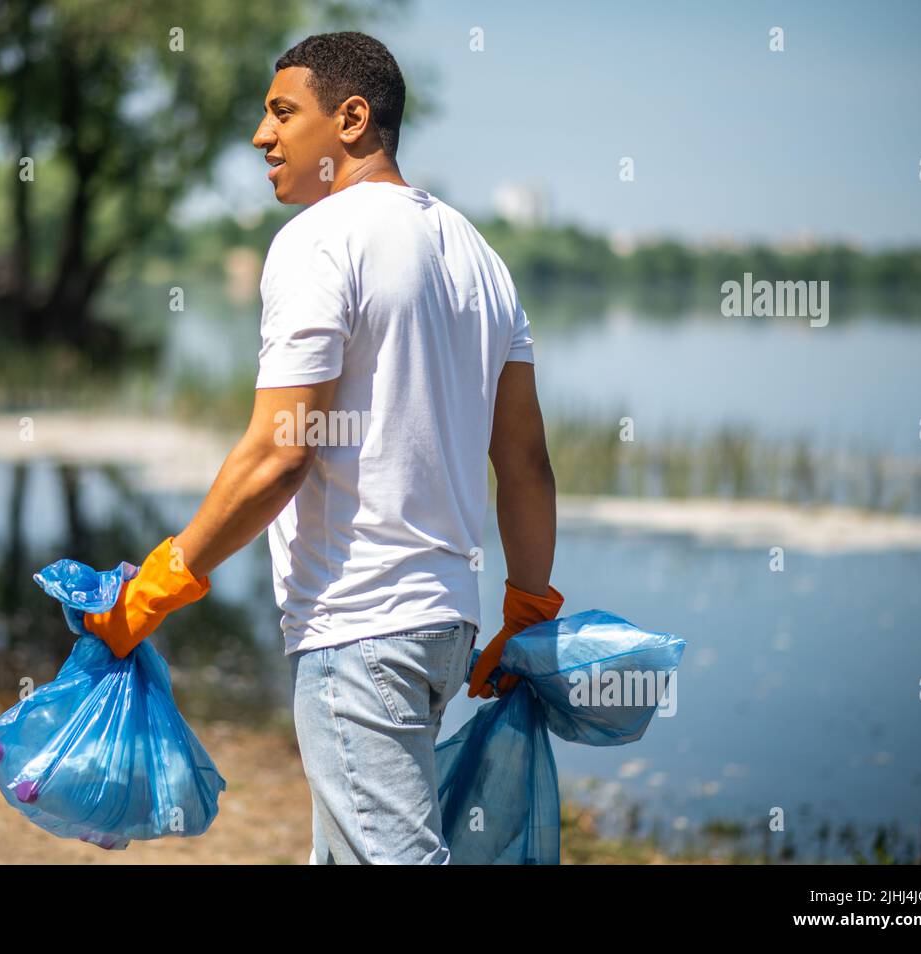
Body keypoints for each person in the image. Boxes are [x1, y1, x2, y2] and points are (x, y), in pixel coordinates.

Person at [83, 30, 563, 864]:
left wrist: (162, 581)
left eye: (281, 113)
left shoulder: (319, 238)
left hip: (362, 628)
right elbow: (523, 462)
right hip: (445, 626)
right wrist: (524, 606)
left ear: (350, 118)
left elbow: (281, 450)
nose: (261, 137)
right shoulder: (482, 258)